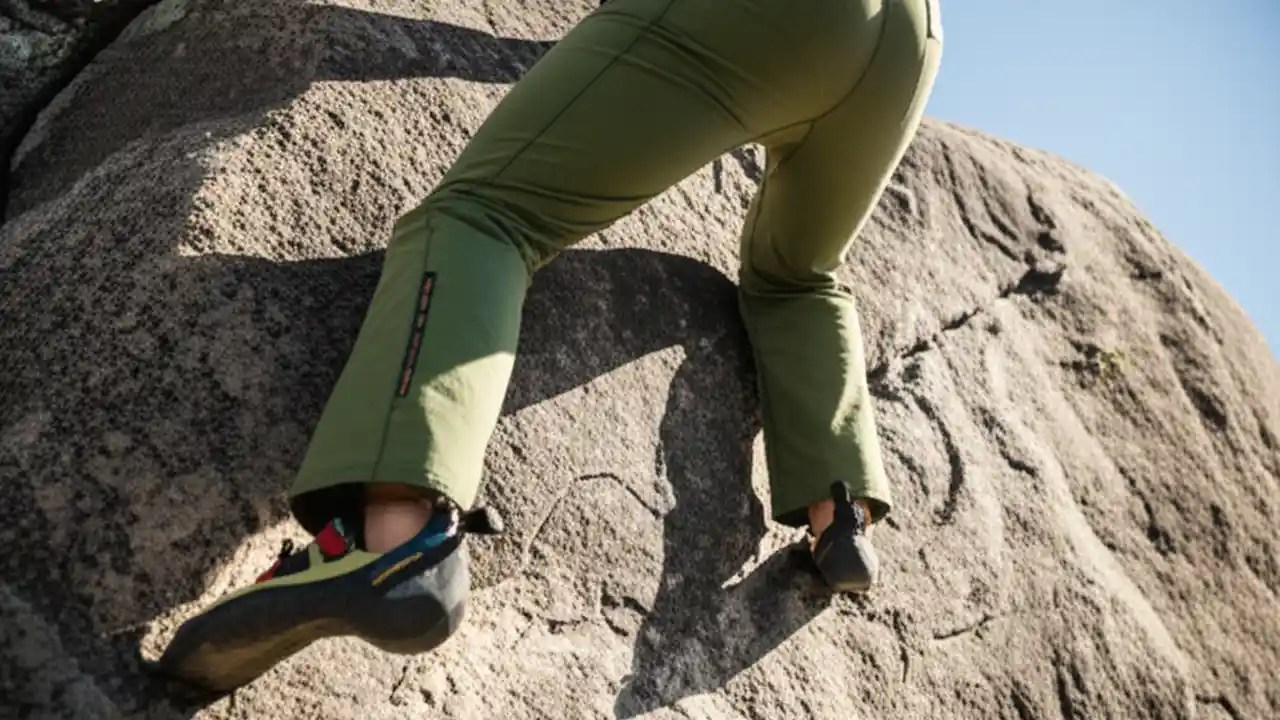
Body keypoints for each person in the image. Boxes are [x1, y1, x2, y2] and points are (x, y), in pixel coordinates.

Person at [155, 0, 942, 692]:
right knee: (797, 274)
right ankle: (837, 515)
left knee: (483, 217)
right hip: (908, 42)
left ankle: (391, 540)